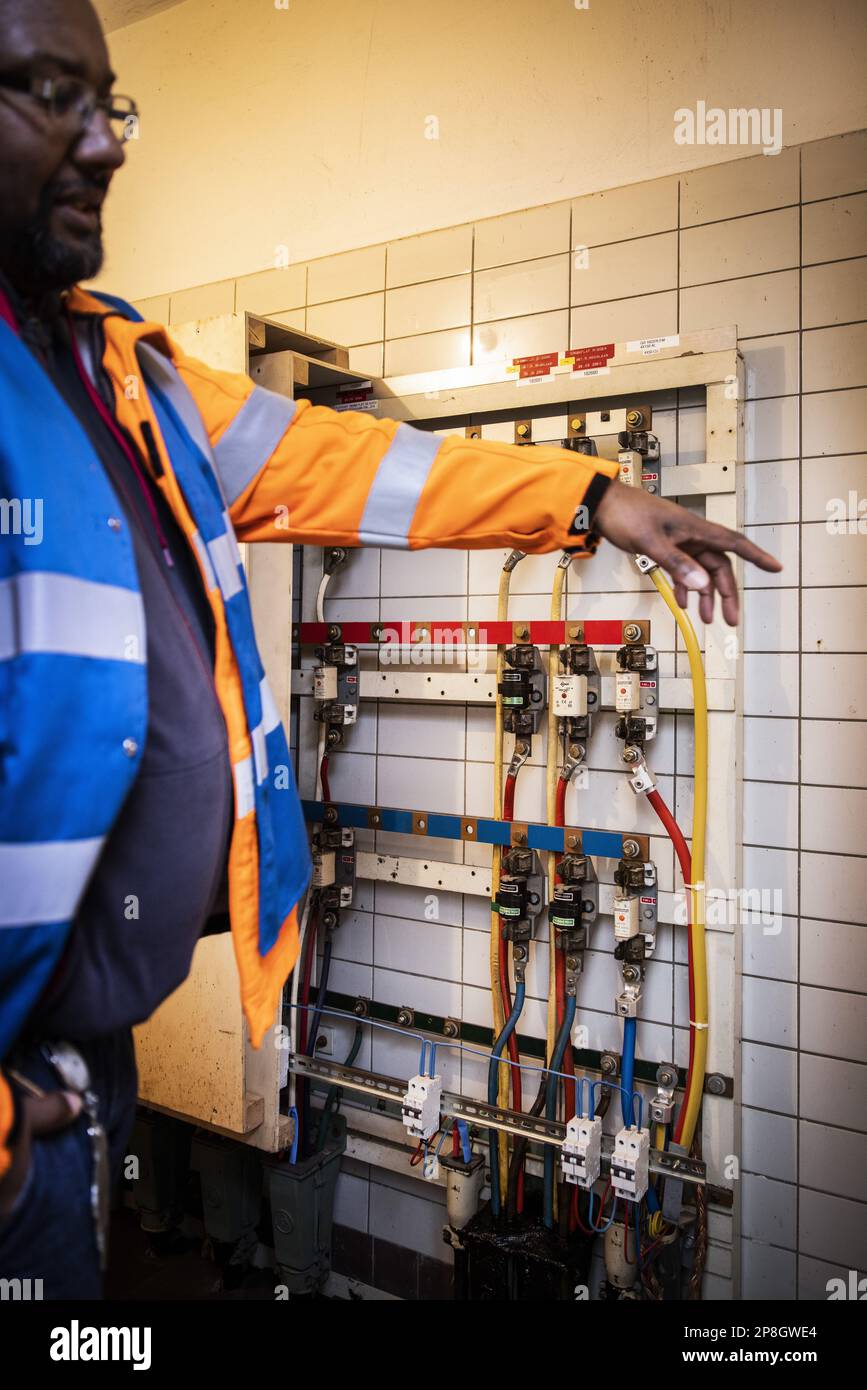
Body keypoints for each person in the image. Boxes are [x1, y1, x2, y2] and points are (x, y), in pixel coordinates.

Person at [0, 0, 780, 1298]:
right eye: (50, 95)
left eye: (113, 104)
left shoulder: (115, 366)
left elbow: (342, 463)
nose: (105, 144)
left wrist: (589, 499)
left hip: (78, 1066)